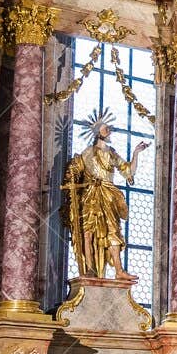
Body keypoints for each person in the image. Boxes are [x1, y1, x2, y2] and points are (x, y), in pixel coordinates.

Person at [61, 113, 148, 279]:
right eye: (106, 129)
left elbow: (128, 171)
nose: (109, 132)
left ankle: (119, 270)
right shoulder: (87, 153)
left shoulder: (112, 154)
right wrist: (71, 182)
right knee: (88, 233)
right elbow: (73, 172)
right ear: (97, 132)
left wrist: (136, 153)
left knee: (113, 230)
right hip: (90, 196)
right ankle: (89, 270)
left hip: (108, 196)